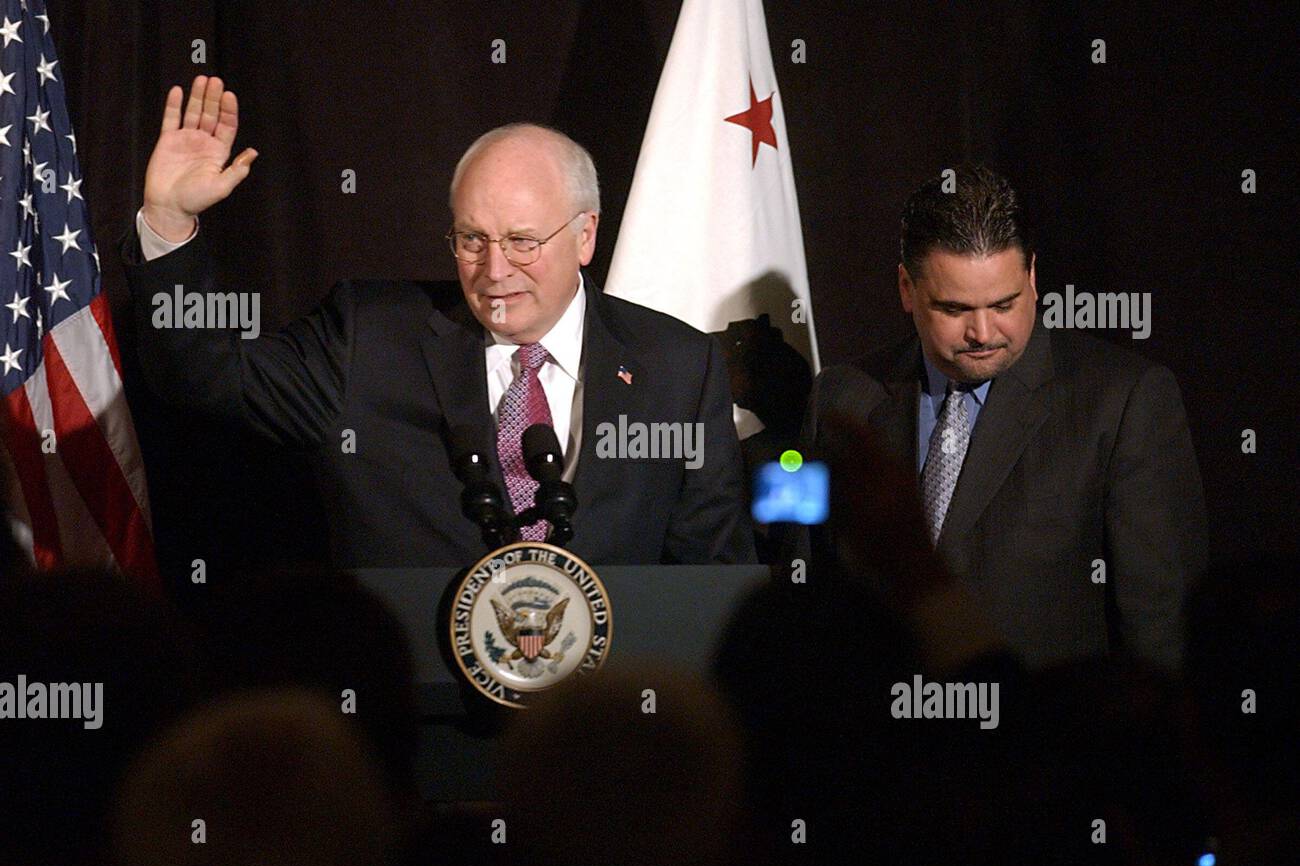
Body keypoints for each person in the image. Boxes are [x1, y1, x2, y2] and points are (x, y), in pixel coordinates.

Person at [122, 76, 755, 567]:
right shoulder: (366, 339)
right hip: (422, 717)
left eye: (522, 241)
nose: (494, 269)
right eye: (471, 239)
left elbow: (711, 573)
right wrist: (170, 223)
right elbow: (203, 377)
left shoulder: (676, 366)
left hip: (600, 718)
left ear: (585, 236)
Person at [794, 164, 1207, 670]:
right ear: (906, 288)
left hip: (1046, 739)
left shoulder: (1122, 402)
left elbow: (1161, 629)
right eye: (953, 308)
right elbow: (807, 597)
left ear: (1032, 277)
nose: (983, 331)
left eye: (1004, 303)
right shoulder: (843, 398)